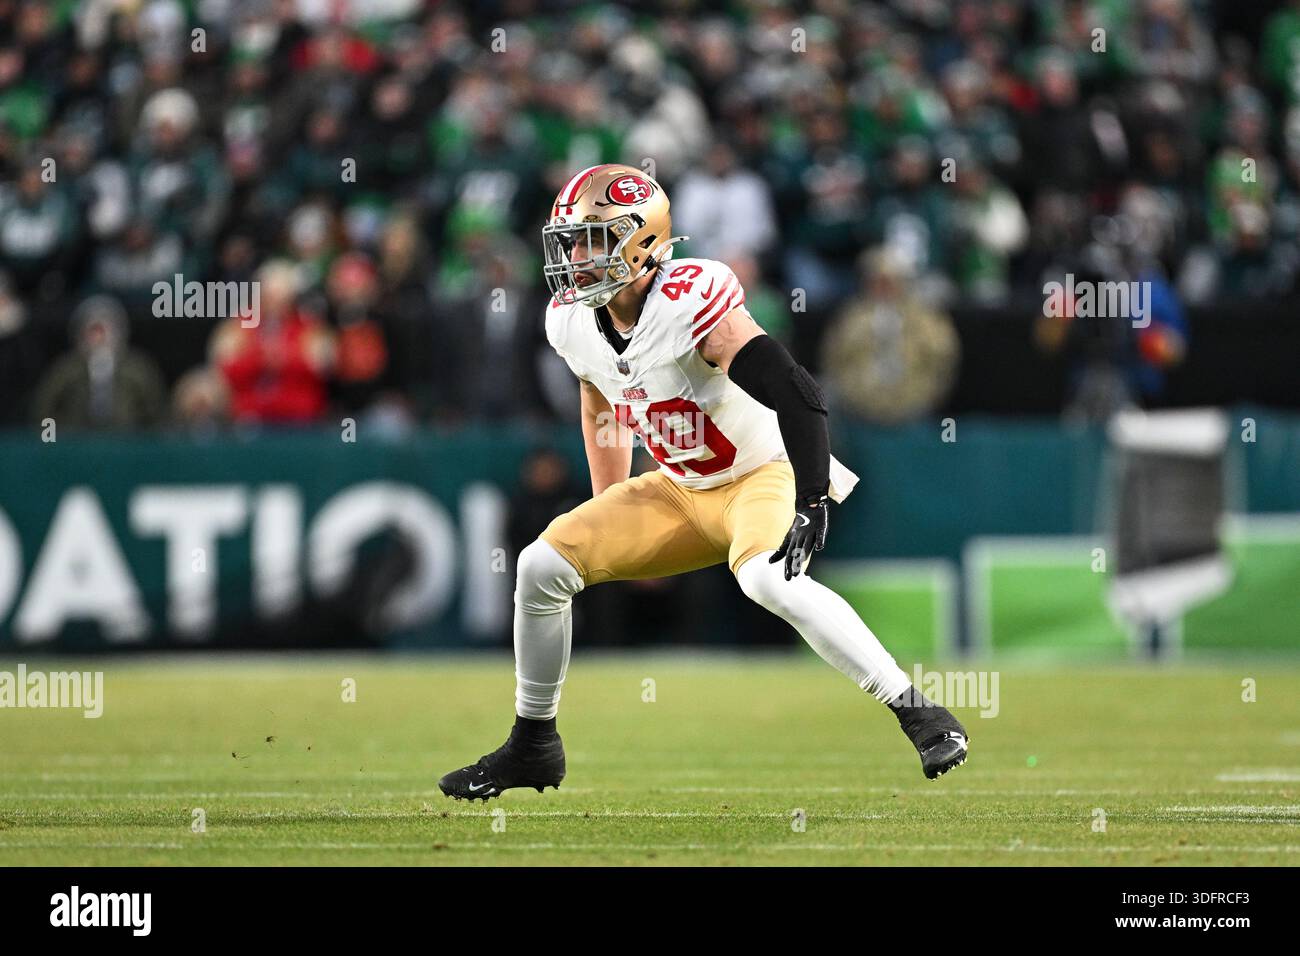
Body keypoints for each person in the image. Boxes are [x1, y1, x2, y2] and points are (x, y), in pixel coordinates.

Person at [438, 165, 969, 800]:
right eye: (572, 241)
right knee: (539, 567)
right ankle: (533, 744)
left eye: (594, 240)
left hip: (759, 476)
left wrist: (812, 494)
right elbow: (600, 401)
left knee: (768, 580)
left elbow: (796, 391)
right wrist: (609, 508)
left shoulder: (690, 296)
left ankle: (918, 711)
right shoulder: (571, 321)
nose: (577, 257)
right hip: (679, 488)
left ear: (642, 244)